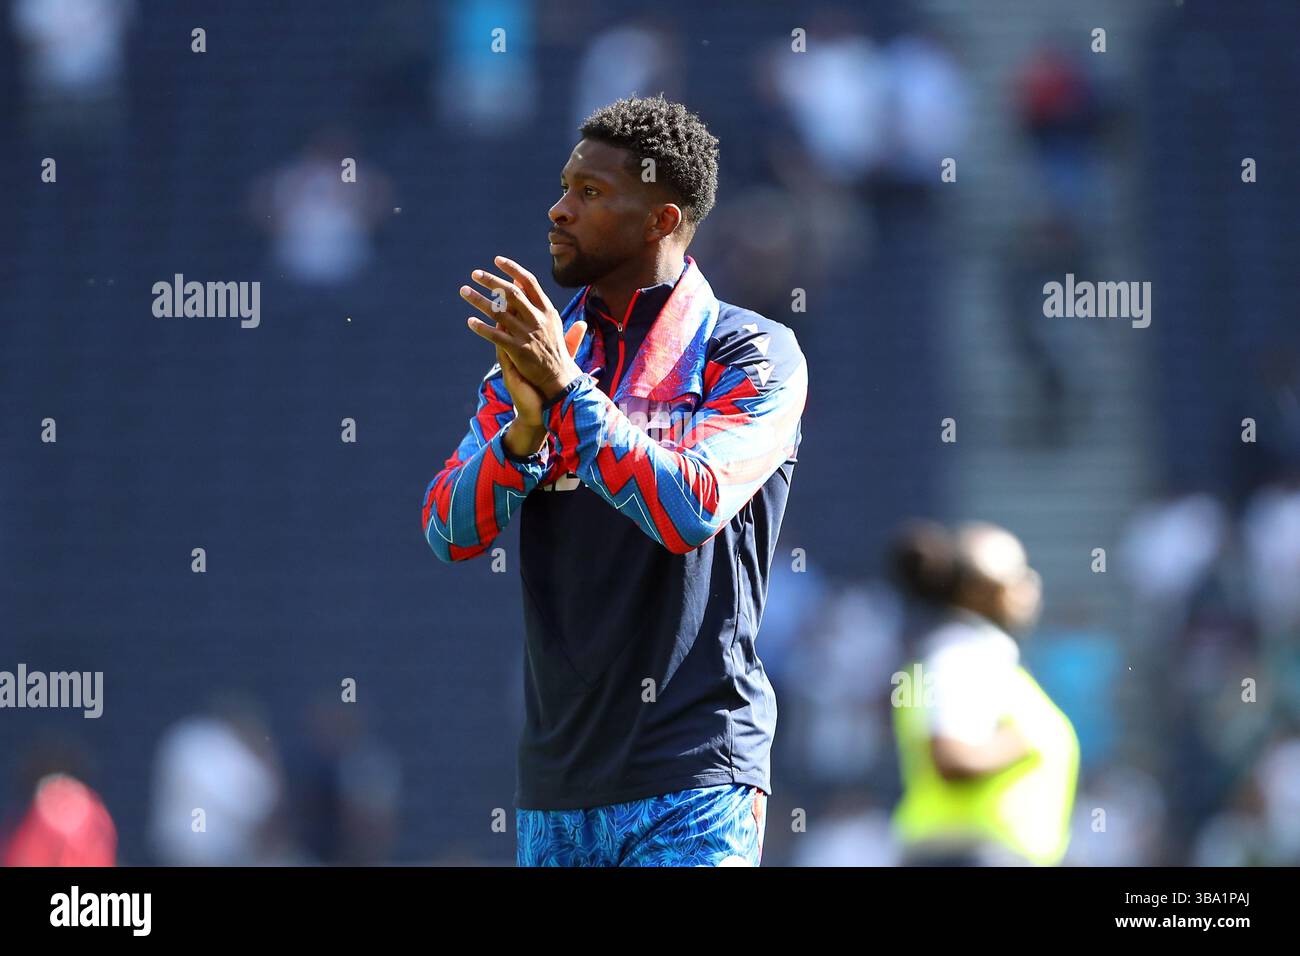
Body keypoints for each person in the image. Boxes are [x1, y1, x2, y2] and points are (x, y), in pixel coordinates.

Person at [421, 95, 808, 866]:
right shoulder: (541, 356)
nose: (559, 210)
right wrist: (525, 434)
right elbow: (448, 532)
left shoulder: (752, 352)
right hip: (556, 789)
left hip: (694, 776)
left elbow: (688, 508)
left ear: (661, 221)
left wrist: (567, 395)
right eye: (566, 186)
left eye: (591, 194)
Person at [888, 520, 1079, 866]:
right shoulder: (962, 655)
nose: (1031, 584)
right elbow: (951, 757)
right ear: (978, 590)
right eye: (1018, 574)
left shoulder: (978, 655)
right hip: (967, 854)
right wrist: (1019, 742)